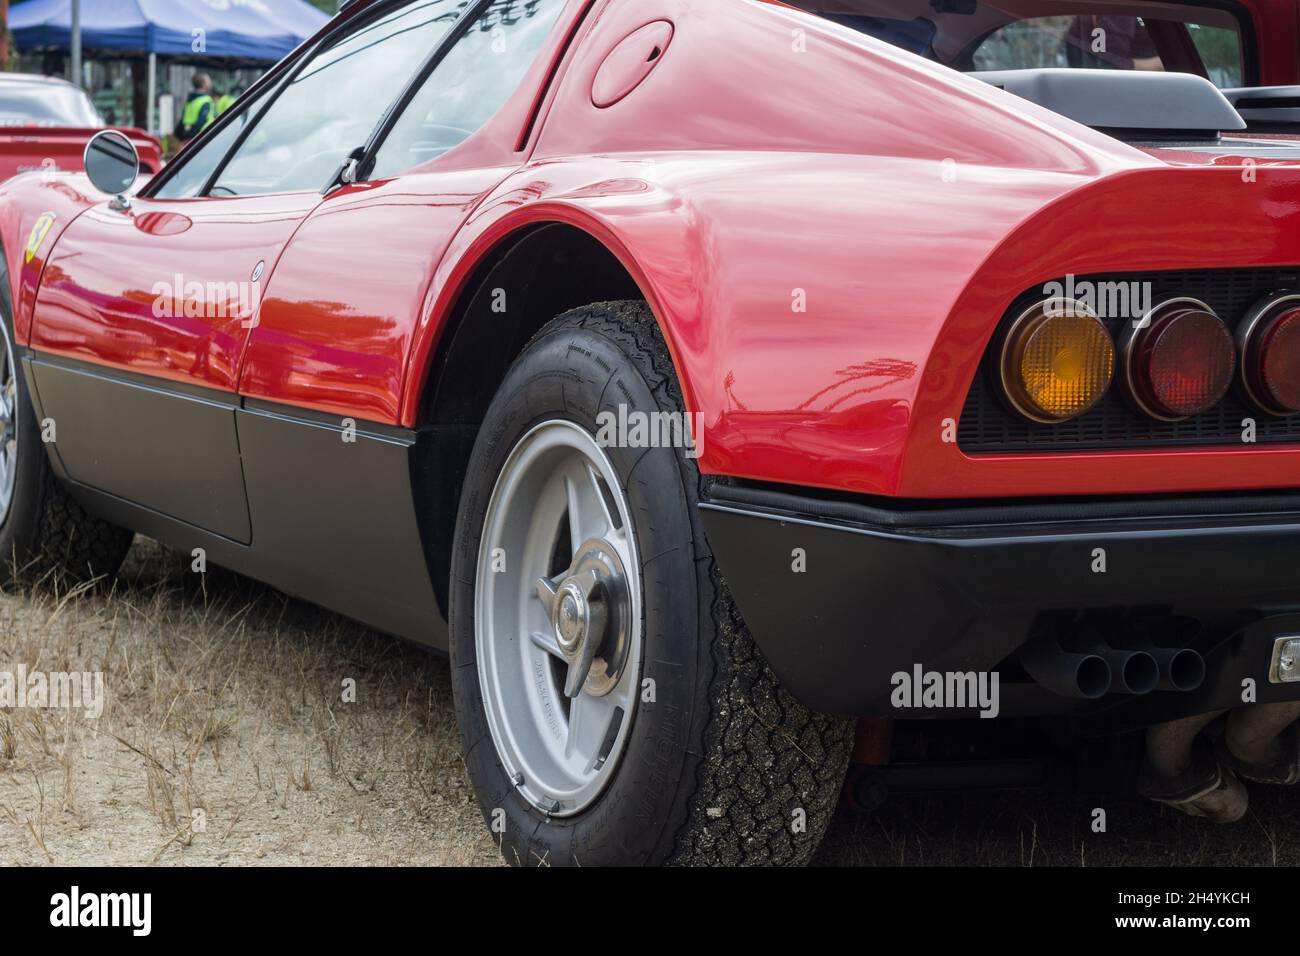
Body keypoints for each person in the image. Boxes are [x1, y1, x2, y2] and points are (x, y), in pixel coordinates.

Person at [176, 73, 216, 145]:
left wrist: (181, 137)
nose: (210, 83)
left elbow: (182, 120)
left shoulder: (190, 100)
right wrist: (192, 137)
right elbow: (201, 121)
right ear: (204, 84)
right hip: (202, 137)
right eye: (208, 81)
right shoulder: (206, 100)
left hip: (188, 137)